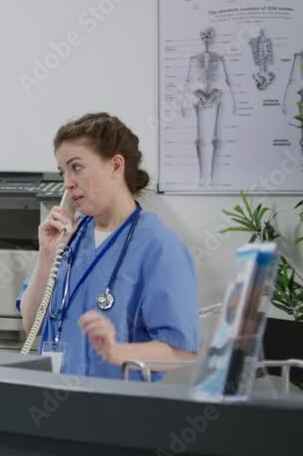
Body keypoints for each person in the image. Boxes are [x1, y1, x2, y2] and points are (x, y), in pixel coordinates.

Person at [17, 113, 199, 380]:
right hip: (52, 399)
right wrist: (46, 256)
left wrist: (117, 352)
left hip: (114, 409)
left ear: (115, 166)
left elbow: (181, 353)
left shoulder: (159, 246)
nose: (67, 182)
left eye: (76, 167)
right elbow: (32, 323)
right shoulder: (70, 236)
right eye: (63, 172)